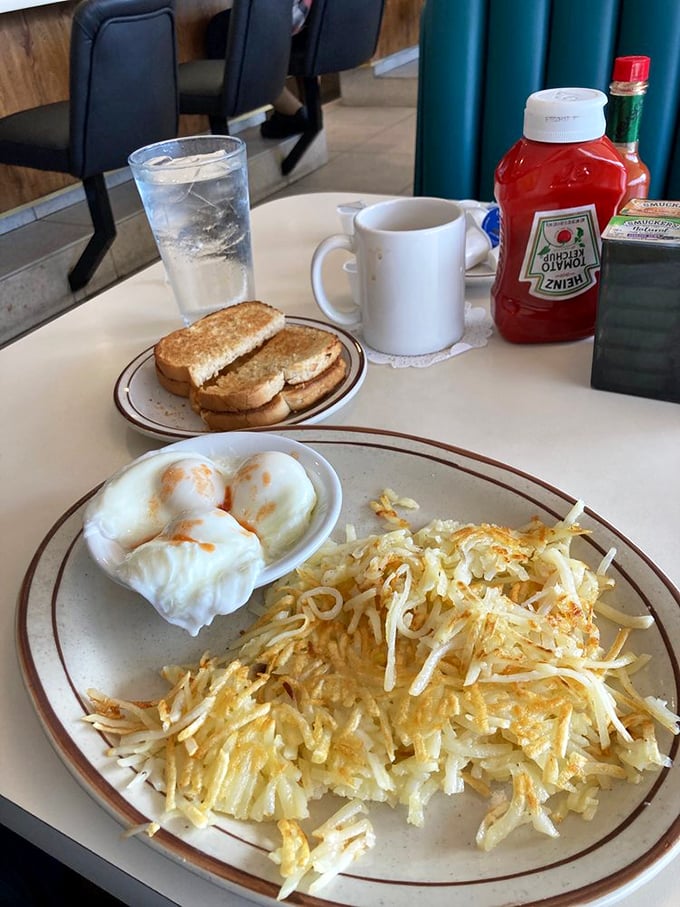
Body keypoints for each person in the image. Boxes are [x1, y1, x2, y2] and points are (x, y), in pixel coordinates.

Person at [205, 1, 314, 139]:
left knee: (222, 28)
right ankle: (297, 111)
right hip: (314, 22)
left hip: (291, 19)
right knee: (229, 26)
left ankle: (294, 112)